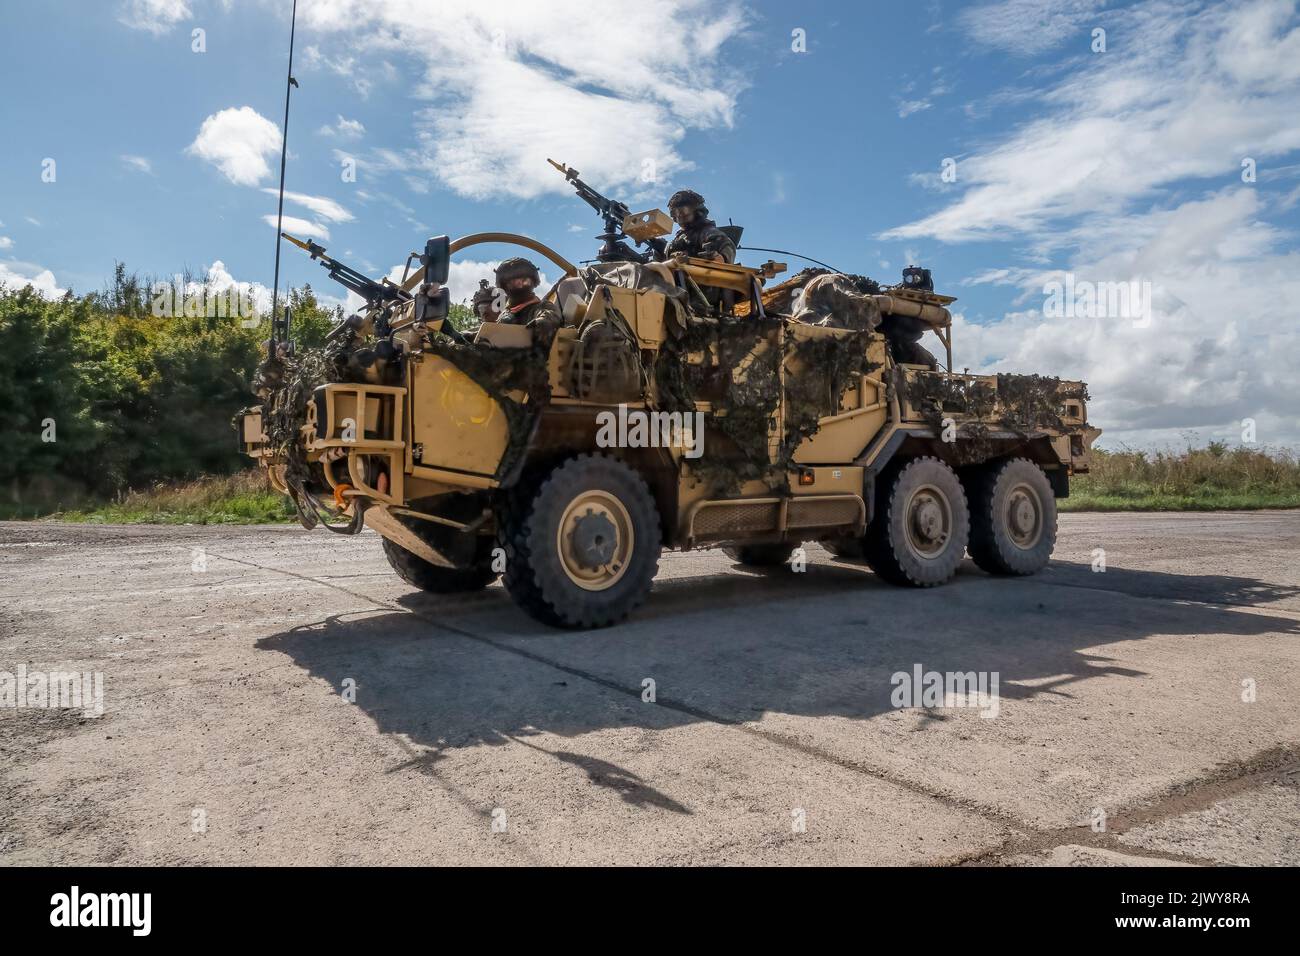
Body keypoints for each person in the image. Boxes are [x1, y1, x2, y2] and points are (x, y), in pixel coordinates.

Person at [475, 258, 562, 346]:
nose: (519, 284)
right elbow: (491, 331)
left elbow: (551, 315)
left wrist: (542, 322)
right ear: (503, 285)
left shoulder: (541, 306)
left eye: (524, 280)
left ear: (533, 281)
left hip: (532, 354)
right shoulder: (505, 313)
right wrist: (467, 335)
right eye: (512, 281)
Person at [664, 189, 736, 264]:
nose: (679, 216)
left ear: (697, 211)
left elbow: (727, 246)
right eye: (674, 213)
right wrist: (661, 249)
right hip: (674, 273)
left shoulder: (707, 232)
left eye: (682, 211)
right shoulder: (679, 237)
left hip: (699, 273)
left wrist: (720, 257)